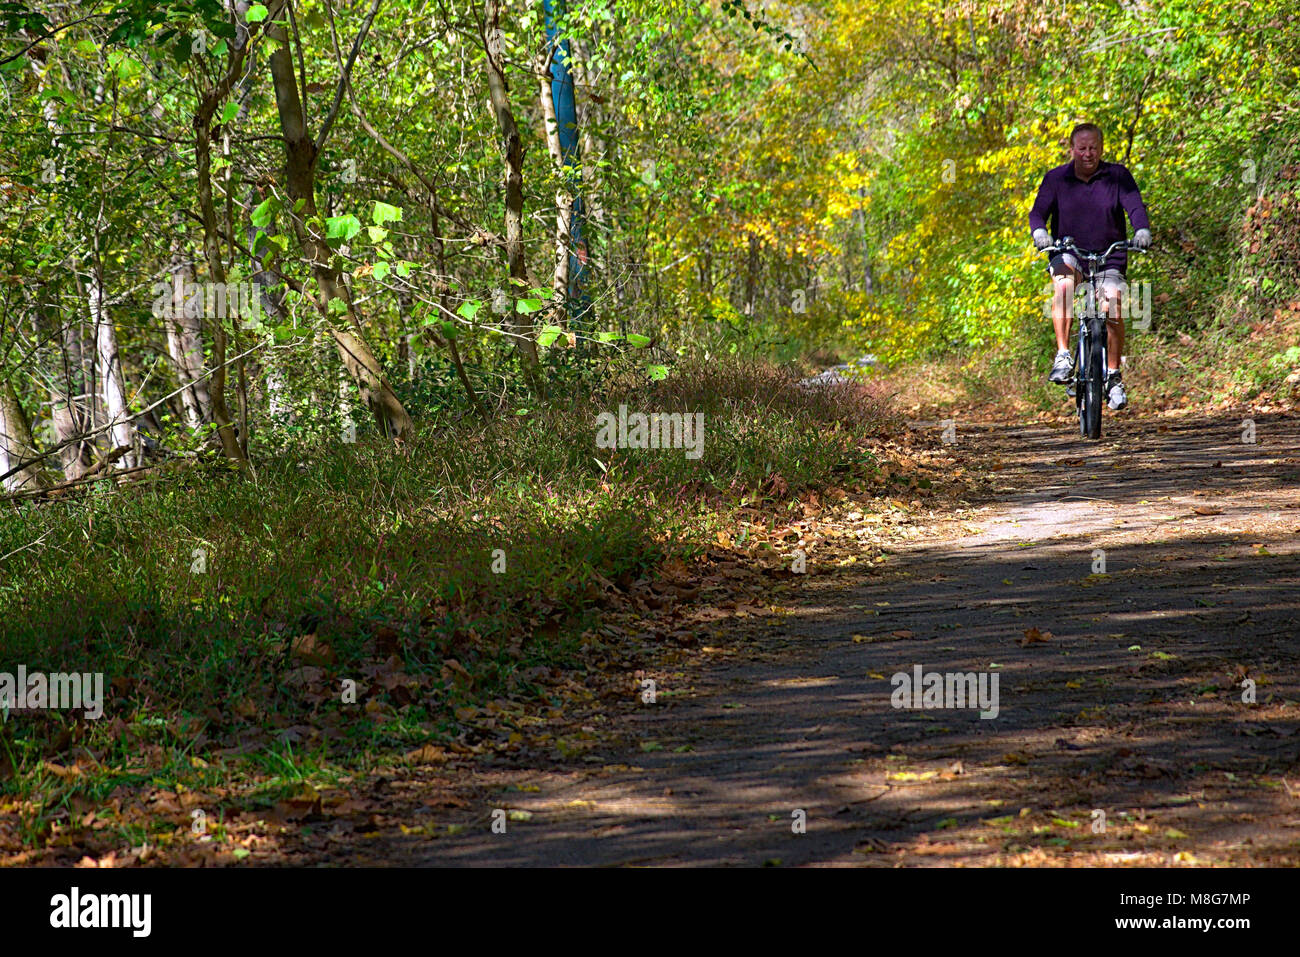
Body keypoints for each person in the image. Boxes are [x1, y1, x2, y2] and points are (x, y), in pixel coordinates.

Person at [1029, 123, 1151, 410]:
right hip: (1069, 250)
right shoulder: (1056, 178)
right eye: (1082, 148)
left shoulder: (1118, 176)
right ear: (1072, 149)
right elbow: (1037, 212)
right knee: (1064, 284)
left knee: (1112, 303)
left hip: (1110, 253)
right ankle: (1063, 355)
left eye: (1093, 147)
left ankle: (1113, 375)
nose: (1088, 153)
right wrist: (1040, 233)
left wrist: (1142, 230)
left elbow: (1134, 206)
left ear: (1102, 148)